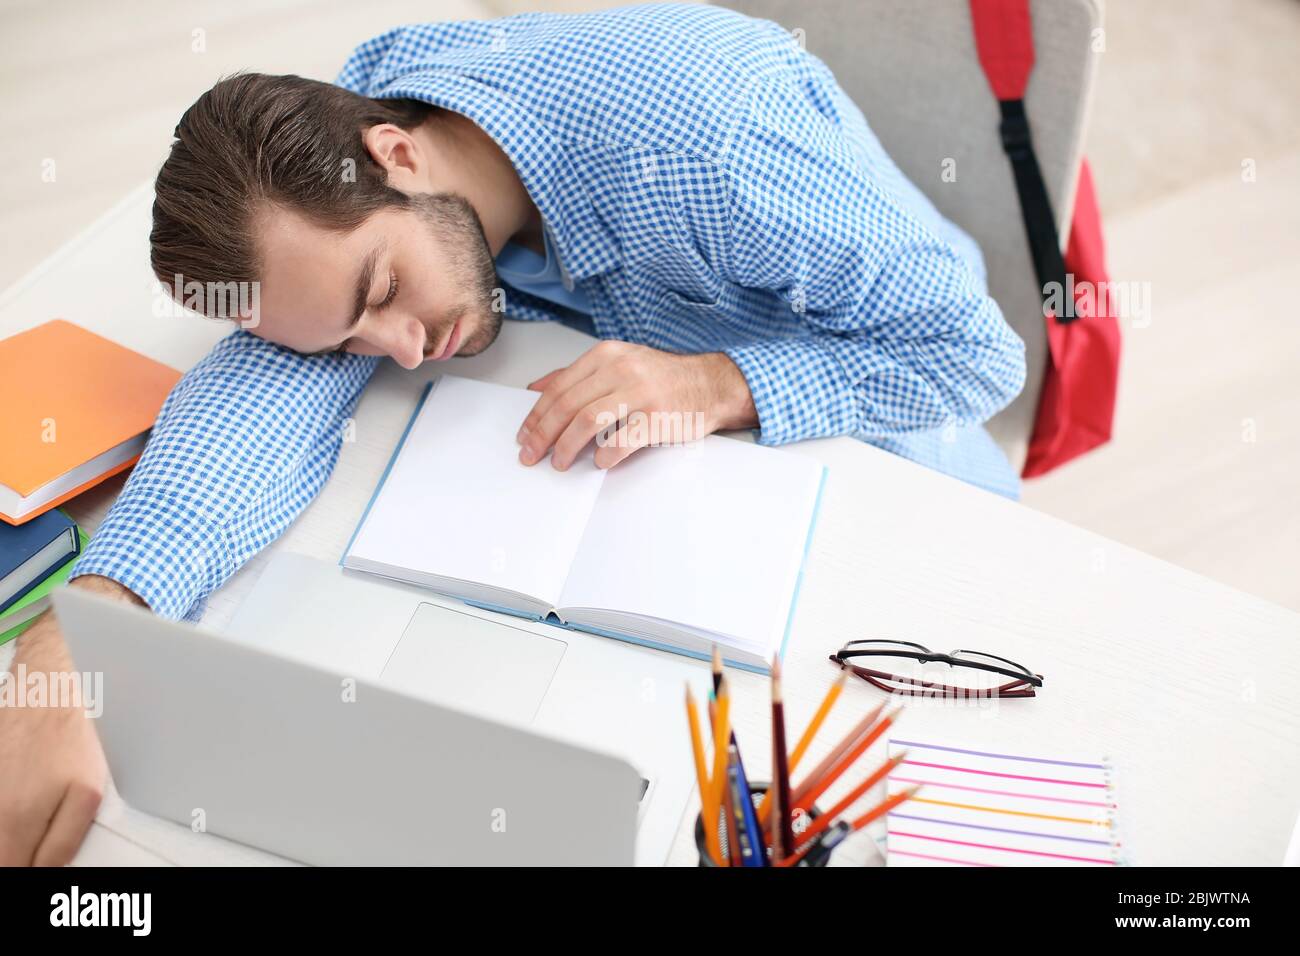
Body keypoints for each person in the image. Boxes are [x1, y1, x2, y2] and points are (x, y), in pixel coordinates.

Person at [0, 3, 1025, 865]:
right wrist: (83, 628)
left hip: (899, 492)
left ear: (392, 157)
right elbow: (269, 381)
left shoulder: (714, 144)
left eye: (384, 292)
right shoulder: (374, 132)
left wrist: (715, 380)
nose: (402, 351)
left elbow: (974, 354)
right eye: (352, 333)